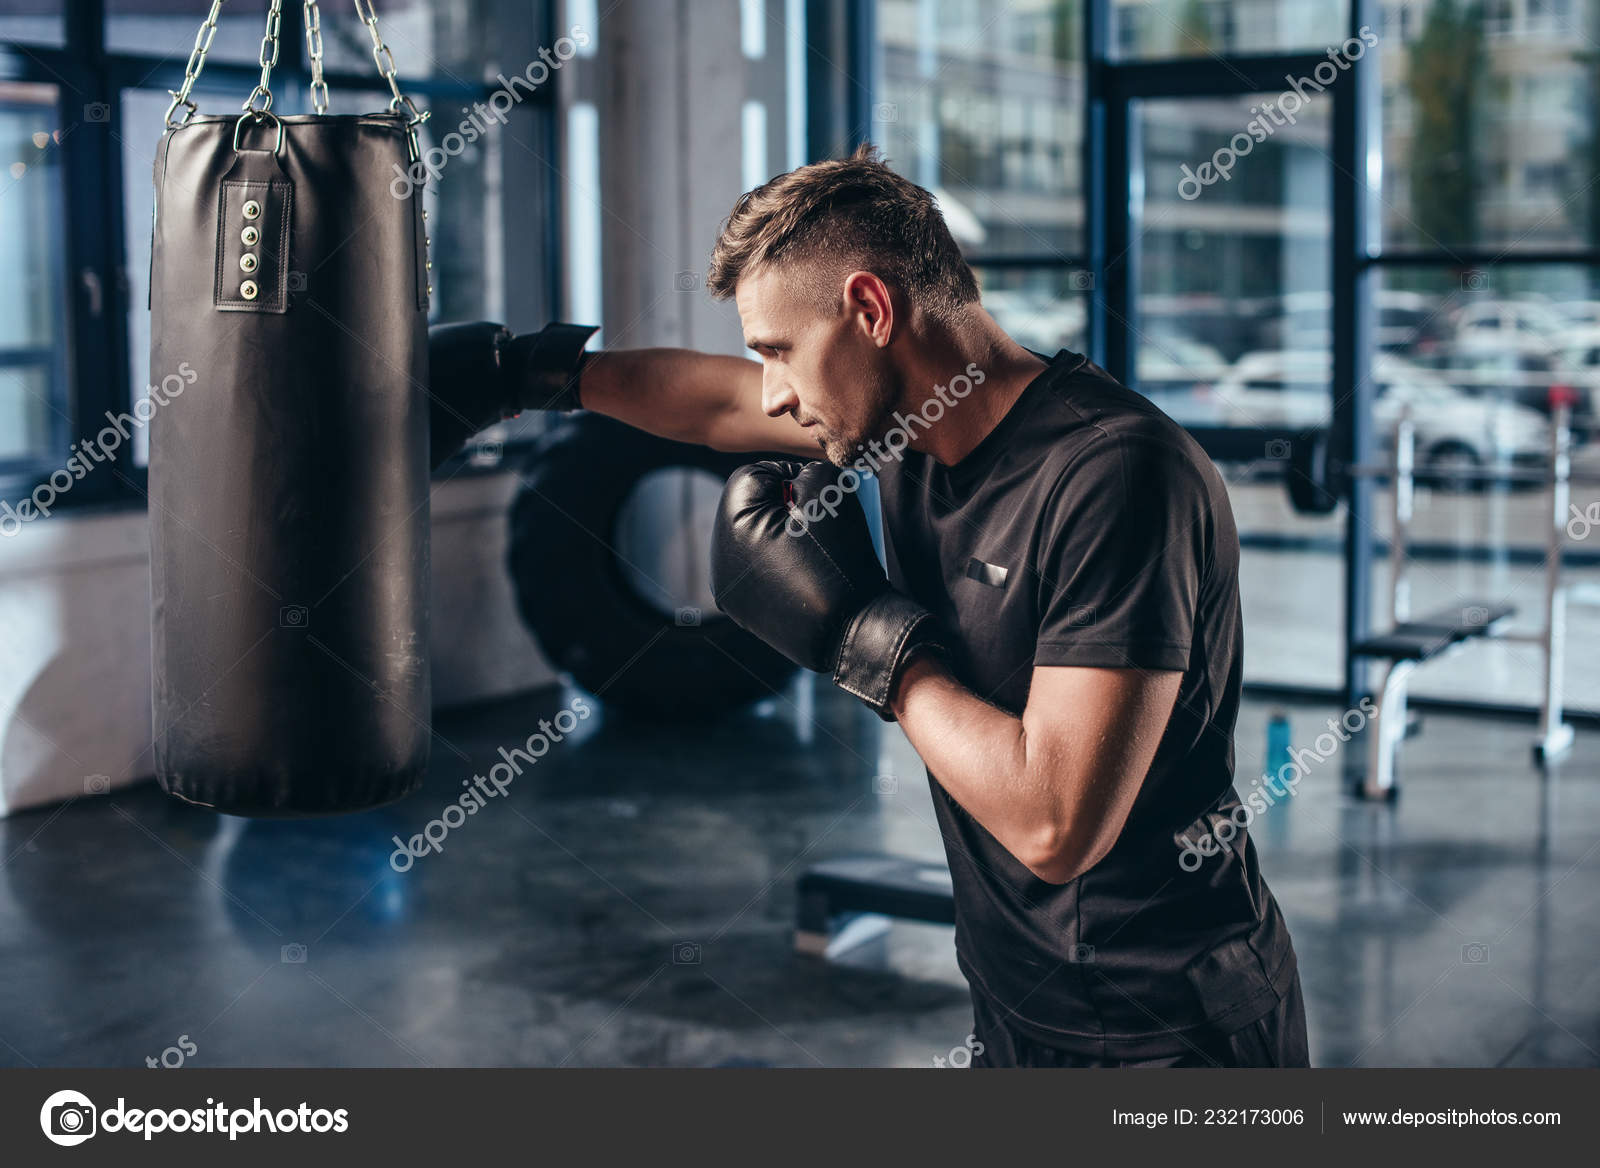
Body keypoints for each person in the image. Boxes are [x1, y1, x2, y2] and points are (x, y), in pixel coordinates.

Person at [437, 144, 1307, 1067]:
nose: (772, 391)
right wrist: (524, 375)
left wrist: (867, 641)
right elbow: (704, 403)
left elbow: (1056, 824)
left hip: (1169, 1028)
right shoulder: (900, 425)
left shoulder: (1113, 475)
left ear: (870, 308)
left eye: (778, 351)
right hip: (1018, 1002)